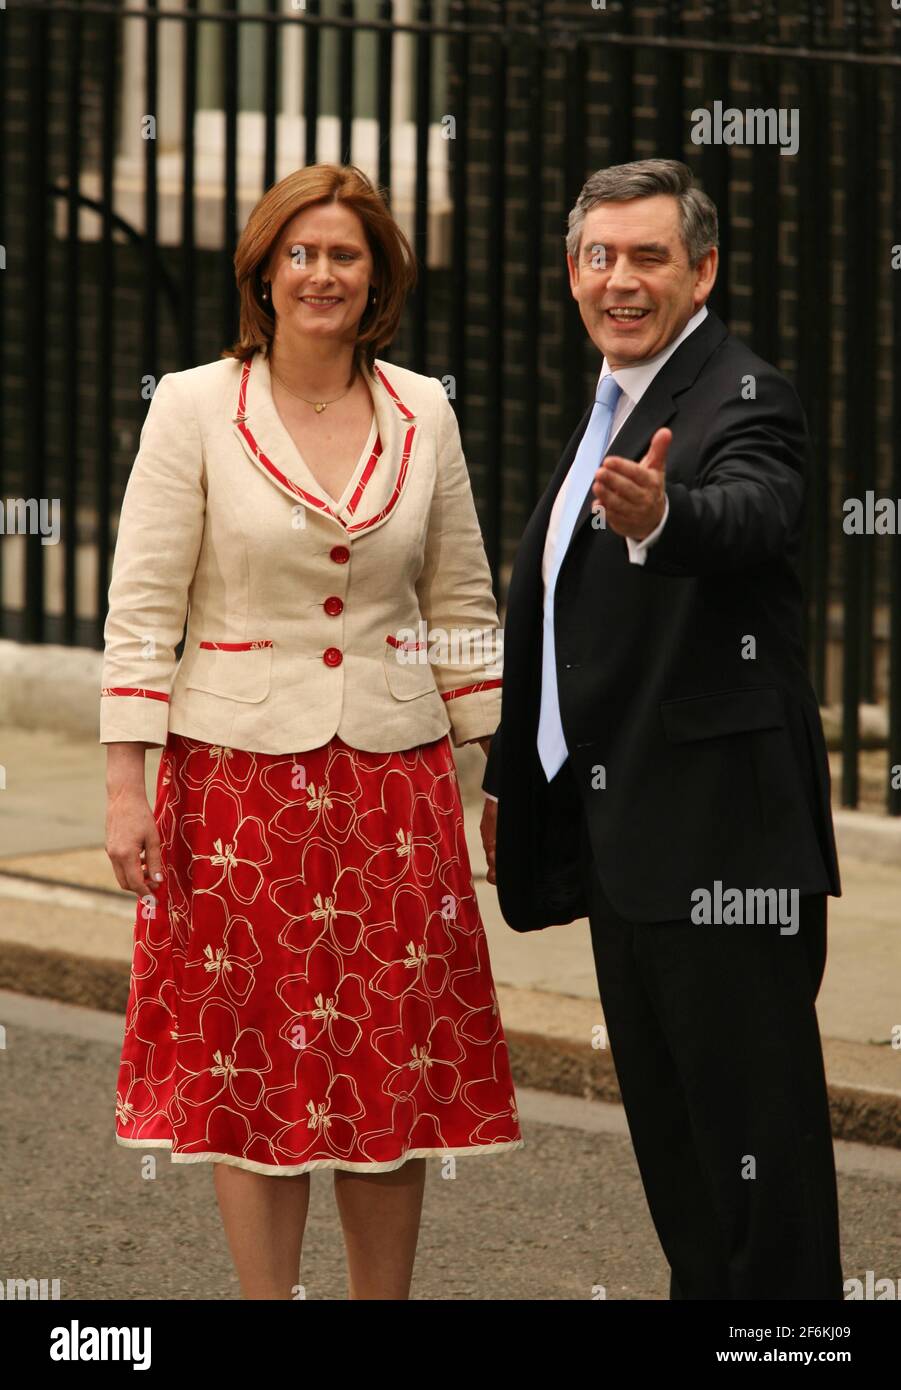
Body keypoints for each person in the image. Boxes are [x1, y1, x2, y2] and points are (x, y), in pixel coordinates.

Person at [102, 162, 522, 1301]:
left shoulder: (422, 409)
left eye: (344, 254)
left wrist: (497, 773)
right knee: (255, 1066)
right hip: (236, 786)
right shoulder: (193, 405)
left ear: (376, 275)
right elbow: (143, 607)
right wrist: (125, 786)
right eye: (300, 252)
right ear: (262, 269)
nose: (321, 273)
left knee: (388, 1066)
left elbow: (462, 605)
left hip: (396, 790)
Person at [480, 158, 844, 1299]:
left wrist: (665, 514)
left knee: (759, 1191)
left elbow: (755, 510)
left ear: (703, 270)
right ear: (570, 272)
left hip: (721, 855)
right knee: (686, 1173)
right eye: (599, 256)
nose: (619, 280)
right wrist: (511, 768)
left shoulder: (741, 395)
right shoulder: (611, 401)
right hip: (631, 849)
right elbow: (558, 619)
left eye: (648, 256)